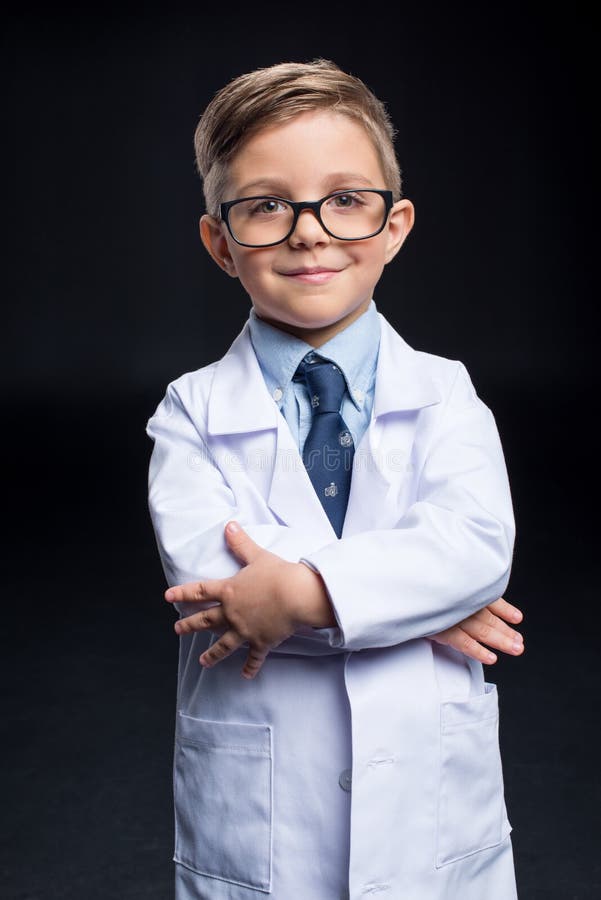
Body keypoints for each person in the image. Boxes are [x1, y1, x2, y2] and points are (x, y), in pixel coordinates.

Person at [146, 59, 525, 900]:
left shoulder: (446, 391)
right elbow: (217, 586)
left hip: (428, 808)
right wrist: (420, 600)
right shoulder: (191, 413)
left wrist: (301, 596)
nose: (308, 232)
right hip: (263, 819)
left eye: (345, 199)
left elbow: (472, 548)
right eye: (266, 205)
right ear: (219, 241)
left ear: (394, 226)